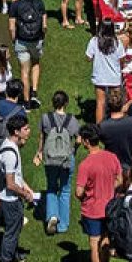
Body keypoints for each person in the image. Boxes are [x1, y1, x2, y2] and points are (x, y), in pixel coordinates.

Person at [75, 122, 123, 262]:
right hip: (110, 208)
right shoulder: (112, 157)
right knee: (105, 241)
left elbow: (79, 192)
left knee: (94, 245)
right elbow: (119, 180)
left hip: (93, 210)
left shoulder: (85, 165)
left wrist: (87, 194)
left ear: (87, 141)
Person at [0, 114, 35, 262]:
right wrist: (25, 194)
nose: (29, 131)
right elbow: (10, 183)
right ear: (16, 132)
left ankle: (13, 254)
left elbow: (16, 175)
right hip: (10, 199)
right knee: (12, 230)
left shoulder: (11, 145)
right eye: (26, 129)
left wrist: (26, 188)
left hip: (11, 197)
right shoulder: (10, 153)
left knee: (15, 228)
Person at [35, 90, 79, 235]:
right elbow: (78, 139)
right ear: (66, 103)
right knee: (65, 190)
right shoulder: (72, 120)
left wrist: (39, 152)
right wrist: (74, 149)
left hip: (51, 159)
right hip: (67, 159)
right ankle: (63, 225)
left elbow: (42, 137)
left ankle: (52, 215)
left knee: (52, 187)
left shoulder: (45, 118)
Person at [8, 0, 48, 108]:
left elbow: (11, 26)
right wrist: (42, 36)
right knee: (36, 63)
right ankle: (34, 92)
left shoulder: (15, 5)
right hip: (36, 40)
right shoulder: (39, 3)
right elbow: (44, 25)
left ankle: (26, 101)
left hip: (22, 41)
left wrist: (14, 40)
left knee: (24, 71)